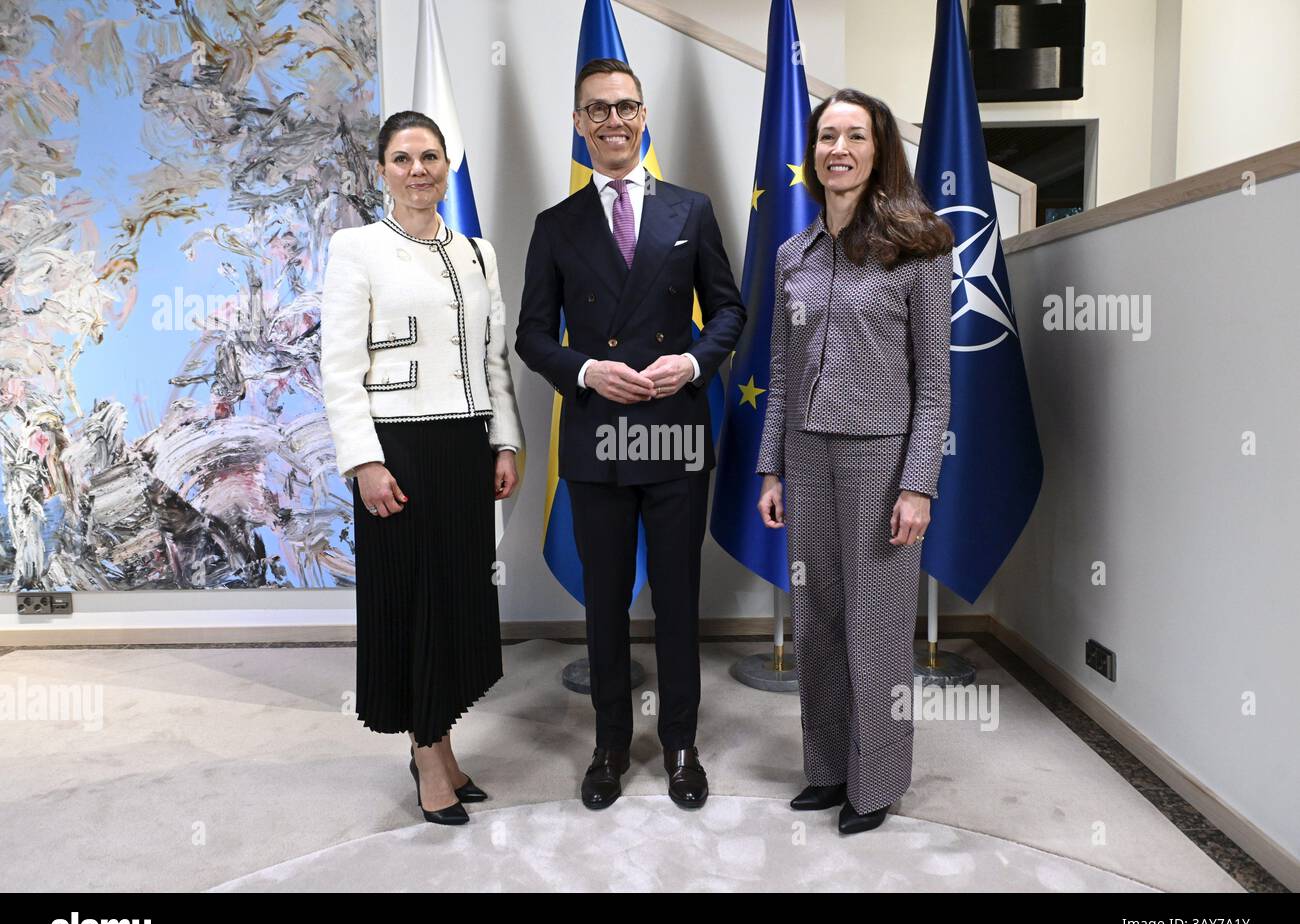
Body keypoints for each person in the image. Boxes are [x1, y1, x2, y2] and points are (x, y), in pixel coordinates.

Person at [516, 59, 745, 811]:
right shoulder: (556, 225)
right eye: (596, 110)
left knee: (678, 599)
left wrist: (693, 359)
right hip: (596, 436)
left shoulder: (692, 210)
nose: (613, 121)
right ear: (579, 124)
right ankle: (610, 742)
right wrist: (585, 372)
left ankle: (680, 744)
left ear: (643, 117)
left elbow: (729, 311)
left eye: (625, 108)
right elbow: (531, 335)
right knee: (605, 601)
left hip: (674, 431)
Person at [756, 89, 953, 834]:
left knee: (873, 628)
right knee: (818, 621)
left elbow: (934, 381)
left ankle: (875, 784)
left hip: (880, 462)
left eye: (855, 136)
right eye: (827, 135)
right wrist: (771, 467)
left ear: (878, 151)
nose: (838, 148)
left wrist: (918, 485)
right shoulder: (792, 257)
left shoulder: (921, 247)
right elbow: (780, 366)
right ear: (814, 152)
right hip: (805, 460)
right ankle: (827, 769)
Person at [321, 110, 525, 826]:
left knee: (458, 604)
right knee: (412, 605)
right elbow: (339, 369)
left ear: (446, 166)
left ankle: (439, 739)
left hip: (464, 450)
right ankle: (428, 754)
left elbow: (492, 357)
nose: (418, 170)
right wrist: (364, 463)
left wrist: (504, 440)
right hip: (397, 453)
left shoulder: (477, 252)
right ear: (382, 171)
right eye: (403, 158)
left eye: (430, 156)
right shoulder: (356, 249)